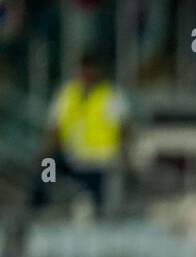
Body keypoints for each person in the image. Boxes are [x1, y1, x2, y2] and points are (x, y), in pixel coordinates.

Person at [31, 51, 129, 213]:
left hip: (100, 162)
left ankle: (98, 212)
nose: (87, 74)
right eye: (84, 70)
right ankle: (39, 210)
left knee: (97, 203)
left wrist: (125, 155)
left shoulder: (110, 95)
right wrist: (45, 154)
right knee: (47, 166)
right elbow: (54, 128)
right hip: (73, 159)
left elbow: (125, 128)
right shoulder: (67, 94)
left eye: (91, 70)